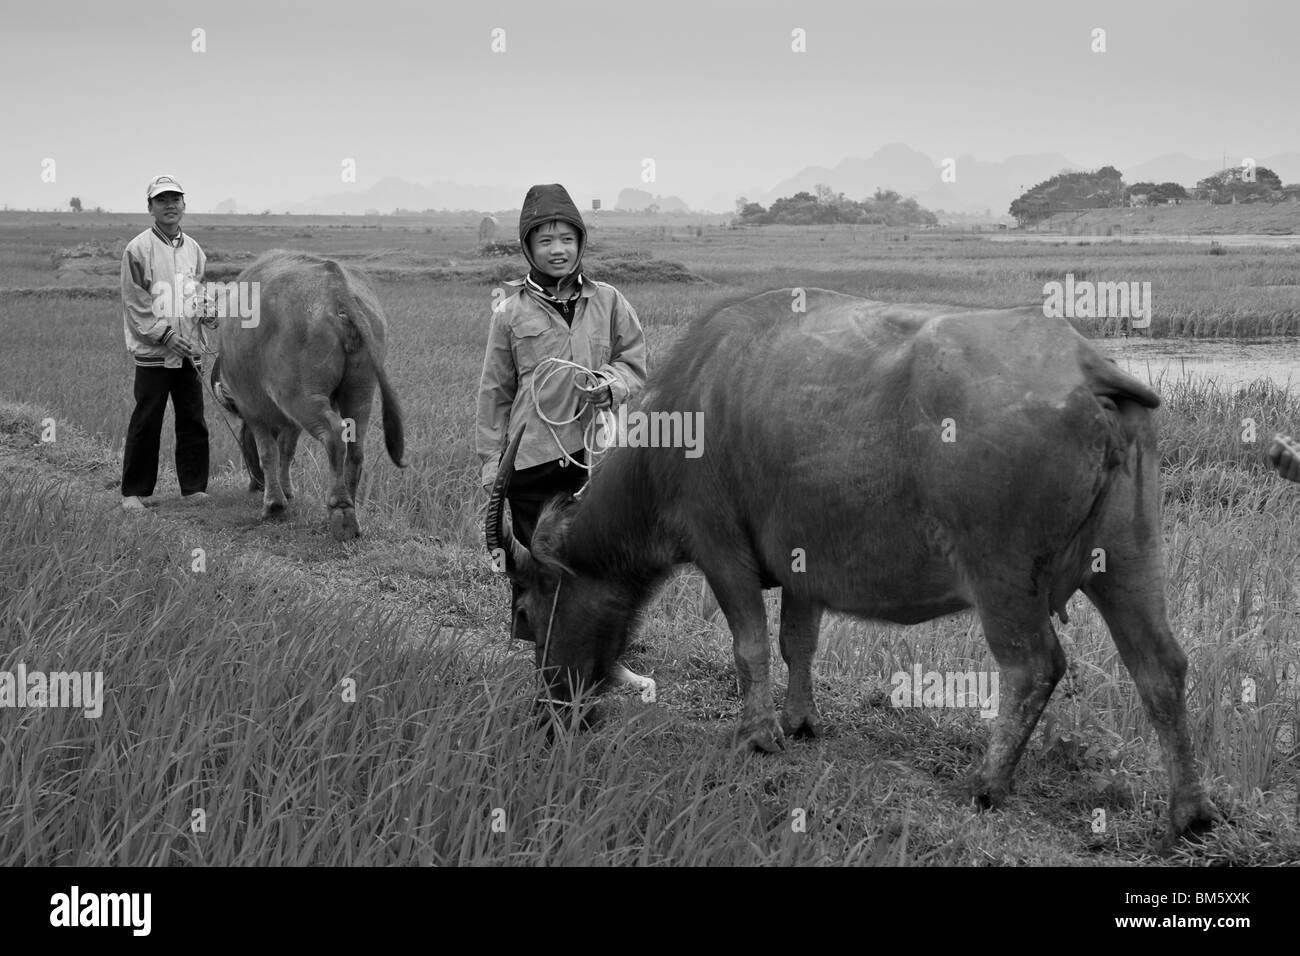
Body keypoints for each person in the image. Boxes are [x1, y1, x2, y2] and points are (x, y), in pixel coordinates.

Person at [476, 183, 647, 548]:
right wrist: (492, 462)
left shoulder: (609, 301)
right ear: (529, 248)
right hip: (531, 463)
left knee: (591, 566)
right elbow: (495, 392)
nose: (558, 250)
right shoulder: (510, 312)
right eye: (546, 241)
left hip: (594, 460)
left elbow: (633, 363)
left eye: (567, 239)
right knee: (537, 570)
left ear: (580, 243)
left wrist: (611, 384)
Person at [119, 175, 210, 510]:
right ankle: (135, 492)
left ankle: (194, 489)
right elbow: (136, 304)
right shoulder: (138, 249)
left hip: (190, 350)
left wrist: (208, 312)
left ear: (184, 206)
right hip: (154, 353)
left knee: (193, 420)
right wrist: (167, 336)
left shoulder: (195, 250)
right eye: (162, 200)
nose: (170, 205)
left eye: (175, 199)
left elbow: (198, 293)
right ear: (150, 208)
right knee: (147, 420)